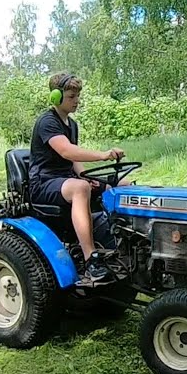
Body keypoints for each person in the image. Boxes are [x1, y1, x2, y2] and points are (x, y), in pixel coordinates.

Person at [29, 72, 126, 285]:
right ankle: (91, 259)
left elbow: (73, 161)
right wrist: (103, 155)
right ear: (56, 97)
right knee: (81, 188)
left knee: (122, 186)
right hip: (44, 183)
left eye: (78, 96)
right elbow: (67, 151)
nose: (76, 101)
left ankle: (123, 245)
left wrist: (86, 175)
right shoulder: (47, 122)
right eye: (71, 96)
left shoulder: (71, 125)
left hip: (67, 180)